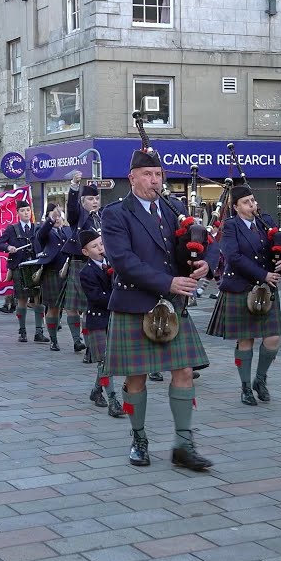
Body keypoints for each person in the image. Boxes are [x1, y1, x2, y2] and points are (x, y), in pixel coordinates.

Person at [102, 140, 213, 471]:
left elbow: (205, 242)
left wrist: (205, 262)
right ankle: (138, 438)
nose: (155, 181)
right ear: (132, 177)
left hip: (173, 306)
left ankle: (183, 443)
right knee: (136, 378)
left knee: (183, 372)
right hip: (135, 303)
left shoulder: (173, 209)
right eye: (148, 174)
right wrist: (168, 283)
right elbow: (123, 261)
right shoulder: (116, 214)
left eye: (159, 174)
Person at [206, 185, 281, 406]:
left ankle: (260, 379)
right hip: (241, 287)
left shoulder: (265, 221)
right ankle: (245, 386)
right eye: (246, 202)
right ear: (235, 207)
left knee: (273, 338)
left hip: (266, 290)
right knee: (245, 339)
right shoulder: (230, 226)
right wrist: (263, 274)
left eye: (253, 200)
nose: (252, 205)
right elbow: (233, 256)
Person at [78, 229, 122, 416]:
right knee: (104, 362)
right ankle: (113, 400)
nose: (100, 248)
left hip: (114, 318)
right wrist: (120, 297)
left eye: (101, 244)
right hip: (97, 319)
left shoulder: (113, 264)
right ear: (86, 252)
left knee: (107, 362)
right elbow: (96, 297)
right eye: (94, 246)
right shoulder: (86, 272)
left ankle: (97, 391)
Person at [0, 199, 46, 343]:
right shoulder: (12, 229)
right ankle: (22, 331)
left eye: (28, 210)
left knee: (38, 300)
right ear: (18, 213)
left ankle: (39, 331)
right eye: (23, 211)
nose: (26, 213)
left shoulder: (38, 228)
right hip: (19, 267)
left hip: (35, 267)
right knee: (21, 300)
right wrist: (8, 248)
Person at [65, 171, 102, 360]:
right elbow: (71, 207)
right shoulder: (78, 216)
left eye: (96, 198)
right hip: (80, 263)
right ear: (83, 201)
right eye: (90, 199)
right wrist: (74, 185)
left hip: (100, 265)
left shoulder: (102, 217)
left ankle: (89, 348)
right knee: (74, 307)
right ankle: (76, 340)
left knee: (92, 306)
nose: (94, 201)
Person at [35, 202, 72, 352]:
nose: (58, 219)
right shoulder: (44, 231)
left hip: (69, 273)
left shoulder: (69, 231)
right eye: (55, 217)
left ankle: (77, 340)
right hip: (52, 272)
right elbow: (41, 235)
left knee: (73, 308)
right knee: (54, 308)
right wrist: (51, 220)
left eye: (59, 217)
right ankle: (53, 340)